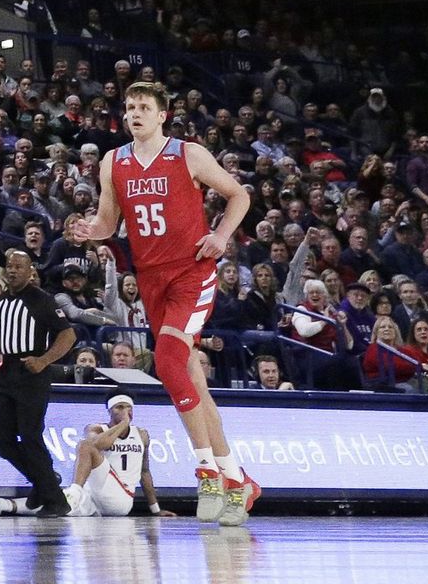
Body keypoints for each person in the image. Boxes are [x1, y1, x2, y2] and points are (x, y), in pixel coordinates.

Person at [65, 81, 259, 525]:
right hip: (150, 279)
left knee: (169, 361)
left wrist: (221, 236)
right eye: (129, 106)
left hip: (191, 271)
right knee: (192, 381)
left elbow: (240, 195)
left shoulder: (187, 154)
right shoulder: (114, 162)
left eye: (143, 107)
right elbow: (108, 223)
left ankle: (207, 472)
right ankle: (237, 479)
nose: (134, 113)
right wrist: (87, 231)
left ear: (161, 115)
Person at [0, 249, 74, 518]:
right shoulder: (0, 301)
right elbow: (3, 333)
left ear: (30, 271)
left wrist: (44, 360)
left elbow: (68, 335)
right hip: (6, 372)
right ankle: (44, 481)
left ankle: (56, 500)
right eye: (9, 266)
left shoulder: (42, 300)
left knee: (30, 435)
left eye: (18, 266)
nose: (12, 270)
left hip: (32, 373)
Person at [66, 393, 171, 518]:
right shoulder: (95, 429)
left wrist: (155, 509)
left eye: (129, 407)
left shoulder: (141, 434)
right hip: (94, 496)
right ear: (109, 410)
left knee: (85, 446)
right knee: (60, 505)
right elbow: (99, 444)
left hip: (122, 498)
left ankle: (75, 492)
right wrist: (123, 424)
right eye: (119, 407)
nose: (125, 411)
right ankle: (72, 495)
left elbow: (145, 471)